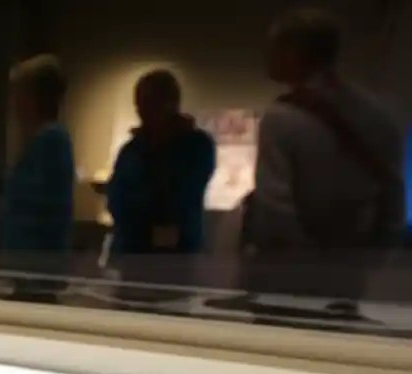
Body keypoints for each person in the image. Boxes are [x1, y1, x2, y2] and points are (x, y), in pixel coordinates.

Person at [247, 6, 405, 302]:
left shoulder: (281, 117)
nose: (267, 56)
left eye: (275, 48)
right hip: (353, 269)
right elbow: (393, 193)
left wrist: (301, 268)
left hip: (292, 277)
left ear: (294, 51)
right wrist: (377, 257)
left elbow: (275, 210)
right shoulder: (378, 114)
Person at [107, 70, 216, 260]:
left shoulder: (196, 145)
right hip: (131, 251)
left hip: (177, 256)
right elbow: (116, 197)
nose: (141, 111)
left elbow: (181, 195)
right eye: (139, 104)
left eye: (149, 104)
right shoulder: (132, 149)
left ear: (171, 103)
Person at [0, 55, 76, 258]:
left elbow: (42, 210)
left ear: (33, 96)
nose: (13, 102)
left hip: (37, 260)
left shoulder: (51, 140)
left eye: (18, 93)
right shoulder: (41, 141)